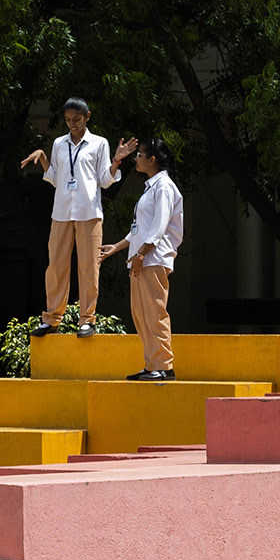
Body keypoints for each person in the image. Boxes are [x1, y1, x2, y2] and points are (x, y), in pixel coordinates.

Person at [19, 98, 137, 337]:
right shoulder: (59, 144)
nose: (72, 124)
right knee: (56, 267)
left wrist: (117, 161)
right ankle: (52, 318)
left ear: (87, 117)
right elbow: (55, 177)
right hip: (61, 212)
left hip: (88, 212)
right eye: (68, 120)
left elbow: (105, 180)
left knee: (88, 266)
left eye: (77, 120)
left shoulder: (98, 143)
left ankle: (87, 319)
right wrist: (42, 156)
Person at [99, 139, 184, 380]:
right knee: (140, 314)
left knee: (154, 312)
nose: (136, 159)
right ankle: (152, 364)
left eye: (140, 155)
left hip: (153, 259)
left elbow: (159, 227)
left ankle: (164, 366)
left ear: (152, 159)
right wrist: (116, 247)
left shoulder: (164, 186)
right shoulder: (151, 186)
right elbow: (140, 228)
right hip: (141, 259)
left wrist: (140, 254)